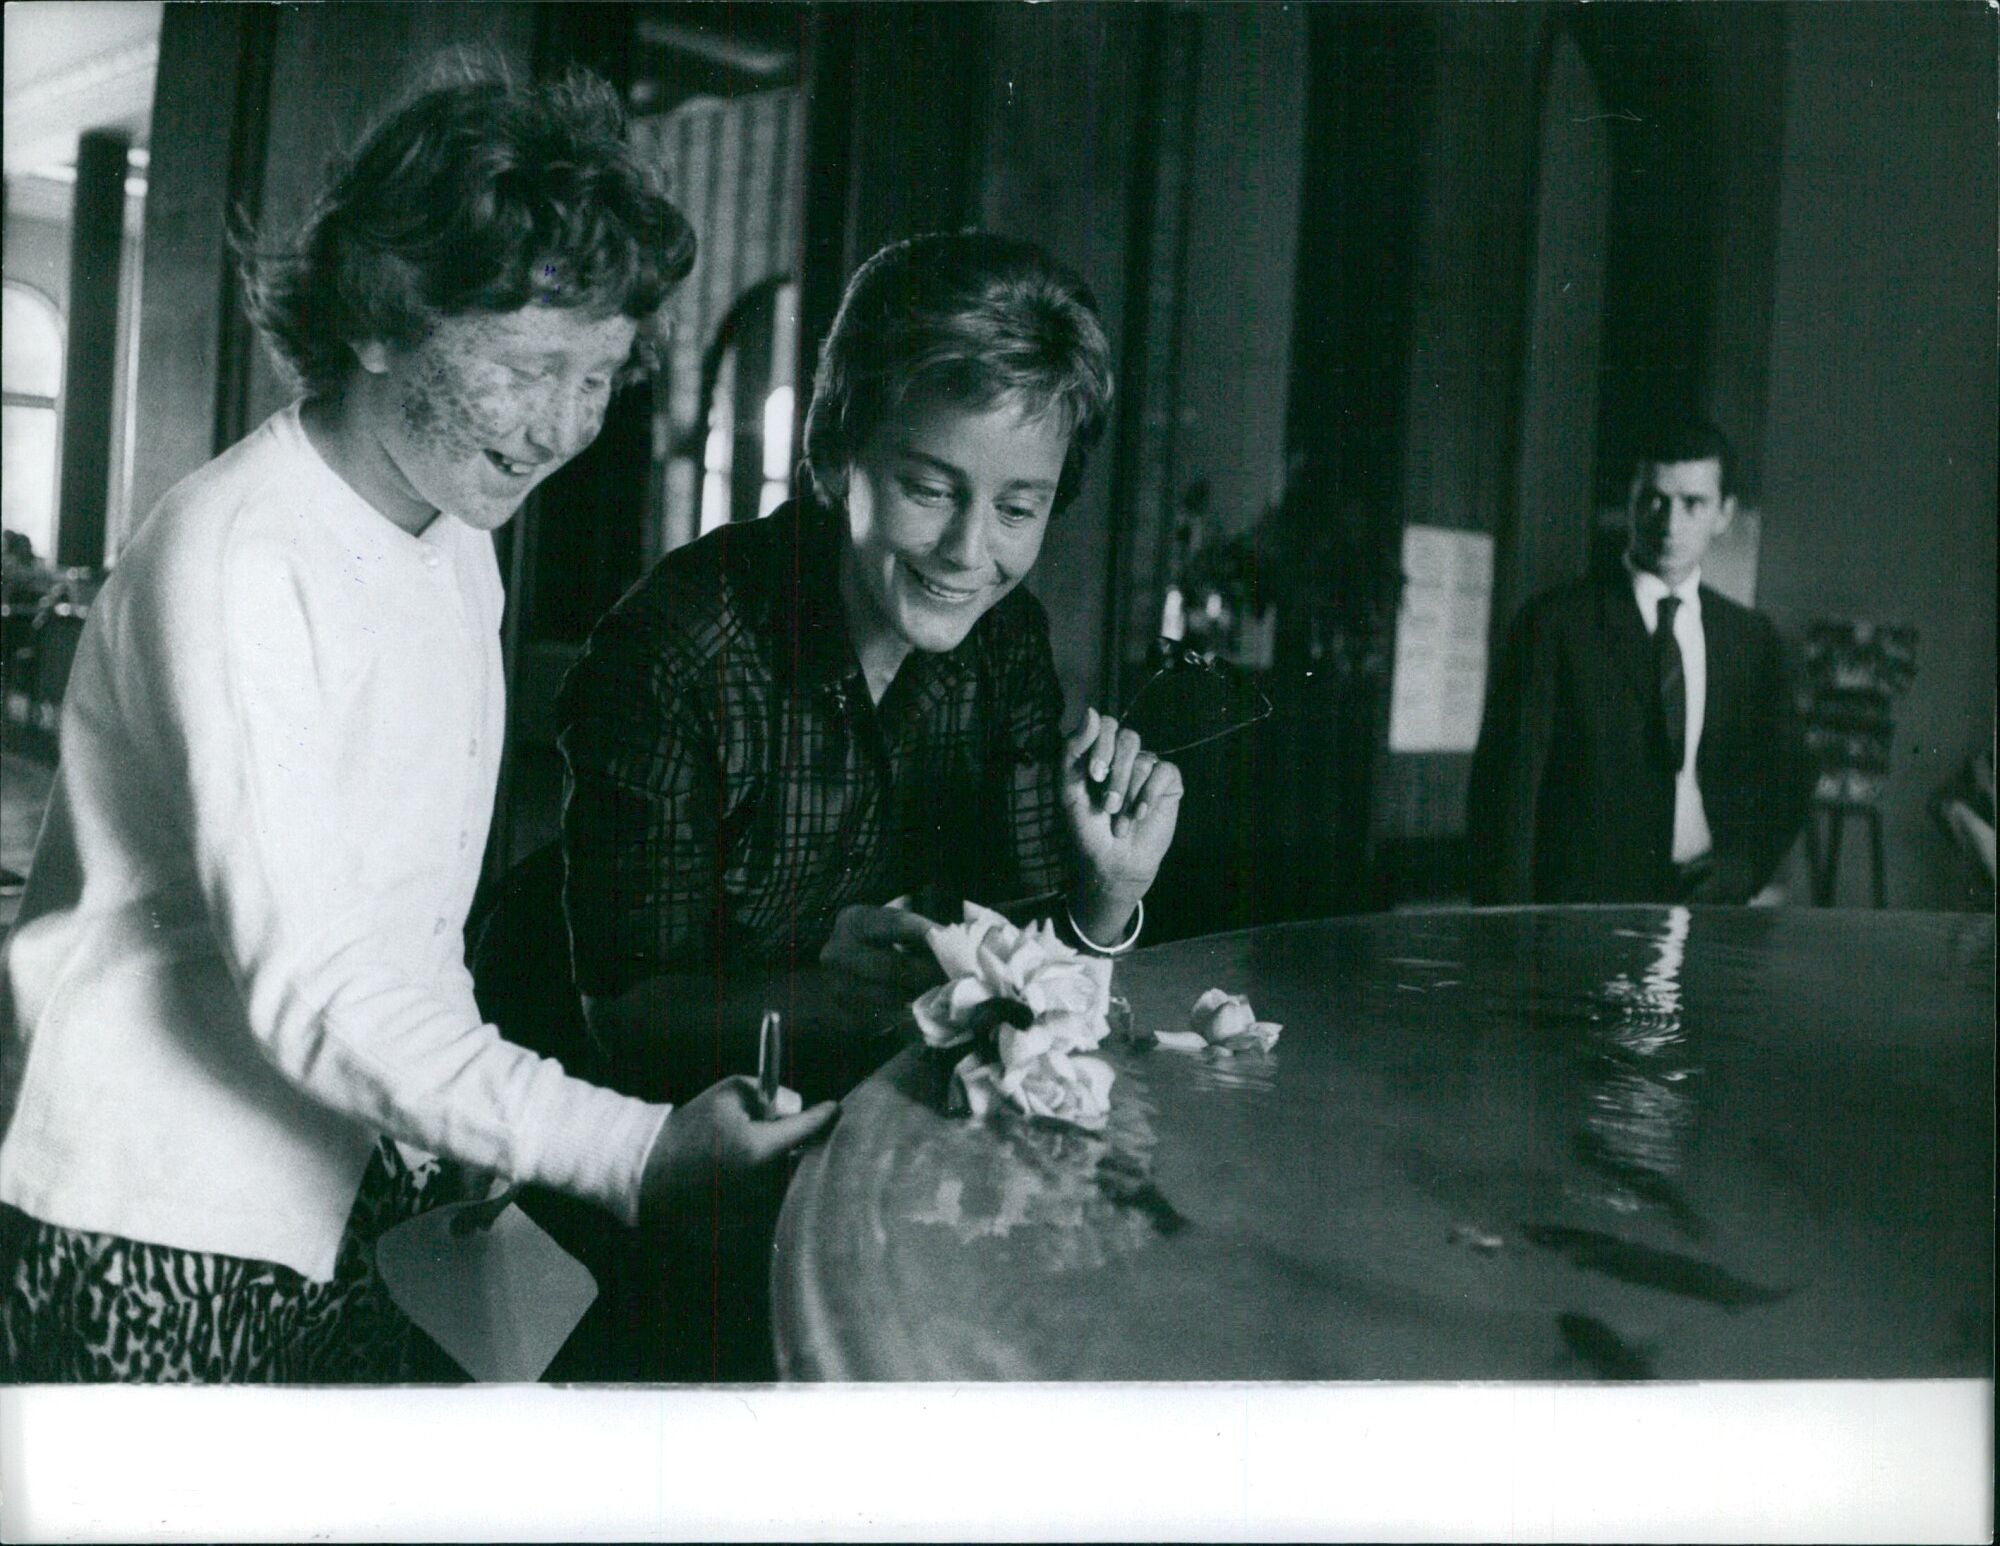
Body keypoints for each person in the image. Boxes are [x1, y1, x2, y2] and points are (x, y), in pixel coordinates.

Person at [0, 65, 834, 1384]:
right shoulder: (238, 555)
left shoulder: (451, 533)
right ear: (377, 318)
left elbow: (408, 916)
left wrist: (459, 1150)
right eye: (529, 368)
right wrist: (633, 1148)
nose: (563, 426)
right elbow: (318, 988)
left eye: (599, 376)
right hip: (162, 1210)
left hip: (353, 1178)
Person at [558, 232, 1184, 1104]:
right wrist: (831, 997)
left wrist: (1106, 894)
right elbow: (623, 1019)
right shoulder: (676, 648)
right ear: (835, 456)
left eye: (1017, 508)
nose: (968, 552)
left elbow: (1026, 965)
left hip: (861, 1104)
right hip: (646, 1129)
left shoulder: (1005, 645)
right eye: (928, 489)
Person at [1468, 416, 1811, 905]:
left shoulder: (1749, 639)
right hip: (1583, 910)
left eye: (1693, 504)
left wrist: (1741, 869)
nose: (1669, 525)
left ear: (1723, 514)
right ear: (1628, 501)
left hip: (1706, 907)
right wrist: (1509, 927)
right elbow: (1505, 795)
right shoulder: (1556, 624)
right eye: (1654, 499)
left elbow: (1790, 774)